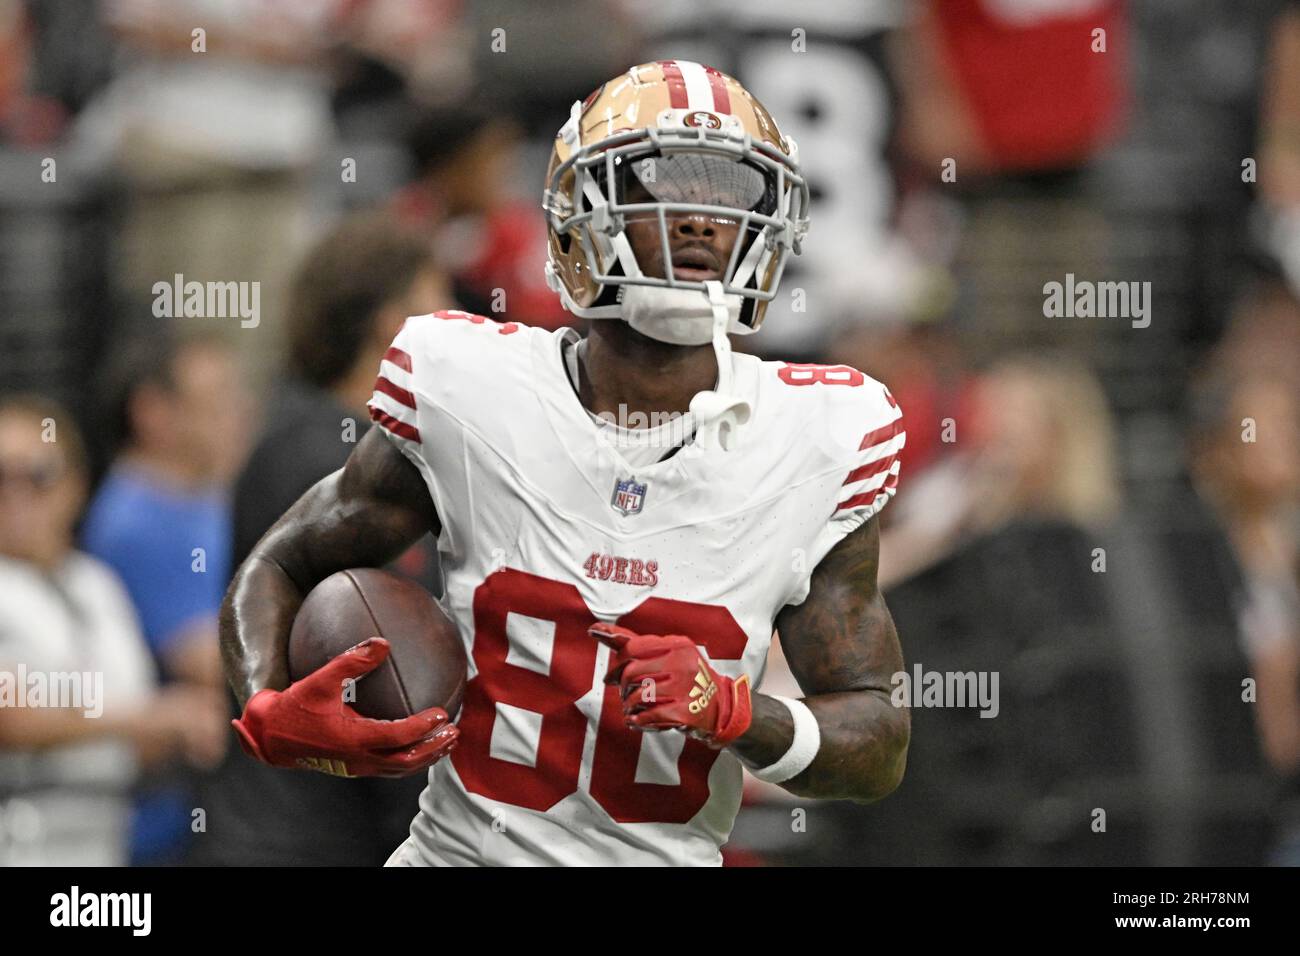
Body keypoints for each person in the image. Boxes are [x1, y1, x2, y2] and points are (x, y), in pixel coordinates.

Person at [220, 61, 910, 866]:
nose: (699, 220)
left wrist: (733, 711)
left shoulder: (815, 438)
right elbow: (282, 562)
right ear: (583, 212)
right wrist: (269, 704)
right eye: (662, 184)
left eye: (729, 193)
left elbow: (880, 742)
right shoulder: (471, 390)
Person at [192, 212, 448, 866]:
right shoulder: (319, 456)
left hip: (315, 818)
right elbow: (387, 661)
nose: (454, 318)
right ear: (395, 322)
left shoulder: (307, 434)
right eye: (435, 299)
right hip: (301, 828)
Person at [0, 394, 222, 865]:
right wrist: (154, 716)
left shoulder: (97, 584)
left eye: (37, 476)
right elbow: (9, 710)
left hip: (106, 844)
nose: (15, 495)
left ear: (75, 485)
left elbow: (138, 728)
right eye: (0, 477)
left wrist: (191, 727)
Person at [80, 332, 247, 863]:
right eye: (215, 401)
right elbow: (210, 662)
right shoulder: (133, 519)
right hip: (168, 815)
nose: (236, 415)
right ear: (153, 412)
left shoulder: (206, 499)